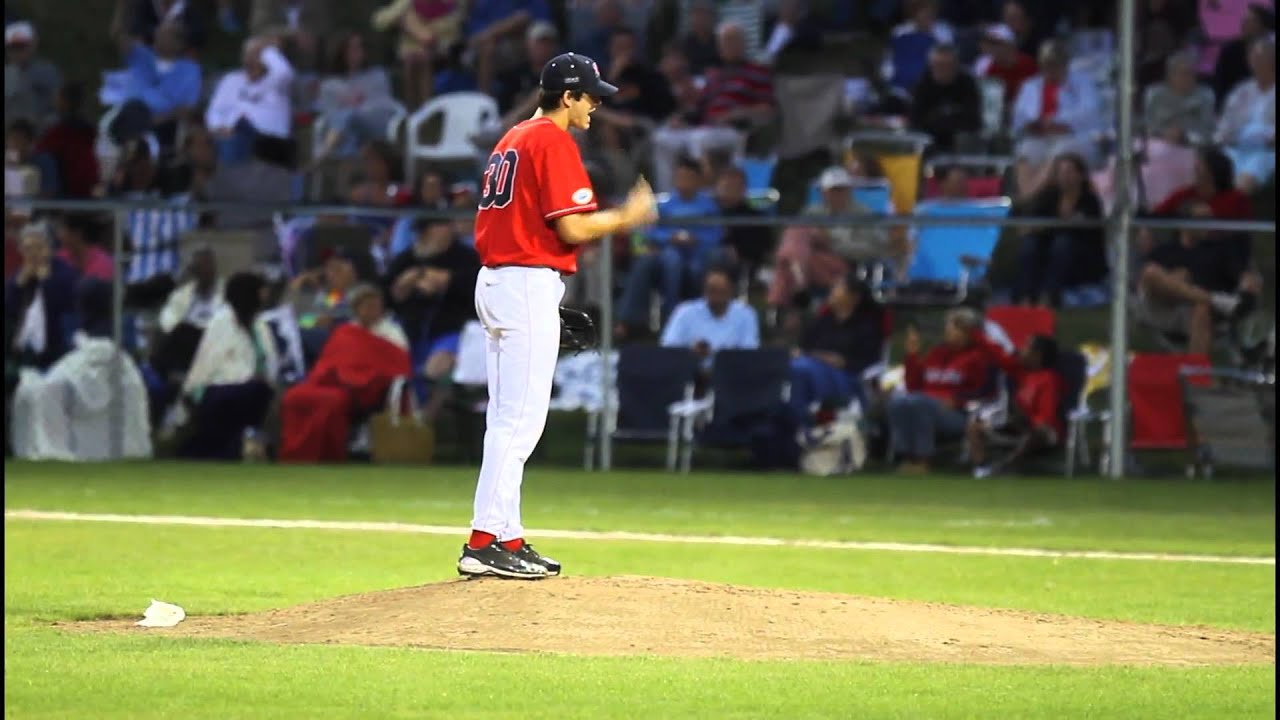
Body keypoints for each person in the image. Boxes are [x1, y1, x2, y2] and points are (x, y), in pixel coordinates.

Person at [462, 52, 657, 579]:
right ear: (566, 97)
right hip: (524, 281)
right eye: (590, 95)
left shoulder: (513, 137)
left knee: (504, 419)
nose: (596, 104)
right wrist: (626, 217)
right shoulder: (551, 140)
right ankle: (484, 541)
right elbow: (571, 229)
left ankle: (506, 535)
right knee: (520, 423)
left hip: (499, 280)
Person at [1134, 201, 1262, 356]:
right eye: (1202, 218)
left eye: (1210, 217)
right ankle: (1215, 299)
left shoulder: (1220, 250)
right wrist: (1177, 279)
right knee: (1152, 272)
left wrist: (1249, 282)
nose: (1208, 222)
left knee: (1201, 308)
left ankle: (1196, 376)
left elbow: (1244, 276)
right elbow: (1146, 282)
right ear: (1183, 223)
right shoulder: (1165, 250)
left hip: (1202, 312)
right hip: (1167, 308)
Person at [888, 308, 994, 472]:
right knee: (898, 401)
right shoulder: (937, 353)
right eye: (948, 326)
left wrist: (958, 400)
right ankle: (905, 457)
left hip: (958, 414)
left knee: (919, 402)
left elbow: (986, 391)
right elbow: (913, 387)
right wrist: (912, 356)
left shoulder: (979, 357)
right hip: (925, 403)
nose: (948, 330)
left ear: (968, 332)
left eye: (954, 327)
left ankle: (923, 459)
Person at [789, 274, 887, 425]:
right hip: (812, 371)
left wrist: (838, 361)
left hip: (847, 379)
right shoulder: (822, 322)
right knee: (797, 367)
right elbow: (803, 349)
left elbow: (867, 363)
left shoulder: (866, 327)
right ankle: (799, 421)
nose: (832, 291)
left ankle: (800, 423)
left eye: (838, 288)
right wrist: (820, 357)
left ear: (854, 297)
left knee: (800, 369)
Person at [1010, 153, 1106, 308]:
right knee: (1030, 244)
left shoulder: (1089, 200)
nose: (1064, 176)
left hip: (1081, 259)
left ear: (1080, 175)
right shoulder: (1049, 196)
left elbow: (1083, 231)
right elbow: (1031, 225)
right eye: (1061, 172)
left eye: (1069, 171)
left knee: (1064, 243)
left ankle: (1048, 297)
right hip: (1048, 253)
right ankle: (1024, 297)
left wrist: (1051, 227)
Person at [968, 334, 1064, 478]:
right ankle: (982, 469)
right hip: (1017, 425)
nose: (1021, 350)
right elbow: (999, 356)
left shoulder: (1049, 380)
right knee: (975, 428)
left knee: (1039, 432)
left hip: (1043, 431)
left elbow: (1046, 417)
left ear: (1037, 355)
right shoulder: (1022, 373)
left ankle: (1008, 467)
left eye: (1026, 348)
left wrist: (1025, 420)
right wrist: (977, 334)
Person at [658, 268, 760, 369]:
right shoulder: (684, 312)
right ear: (704, 290)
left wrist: (715, 354)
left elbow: (749, 353)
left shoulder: (746, 314)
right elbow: (669, 348)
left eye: (722, 291)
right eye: (712, 290)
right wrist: (690, 352)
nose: (717, 296)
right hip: (690, 373)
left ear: (731, 290)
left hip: (731, 375)